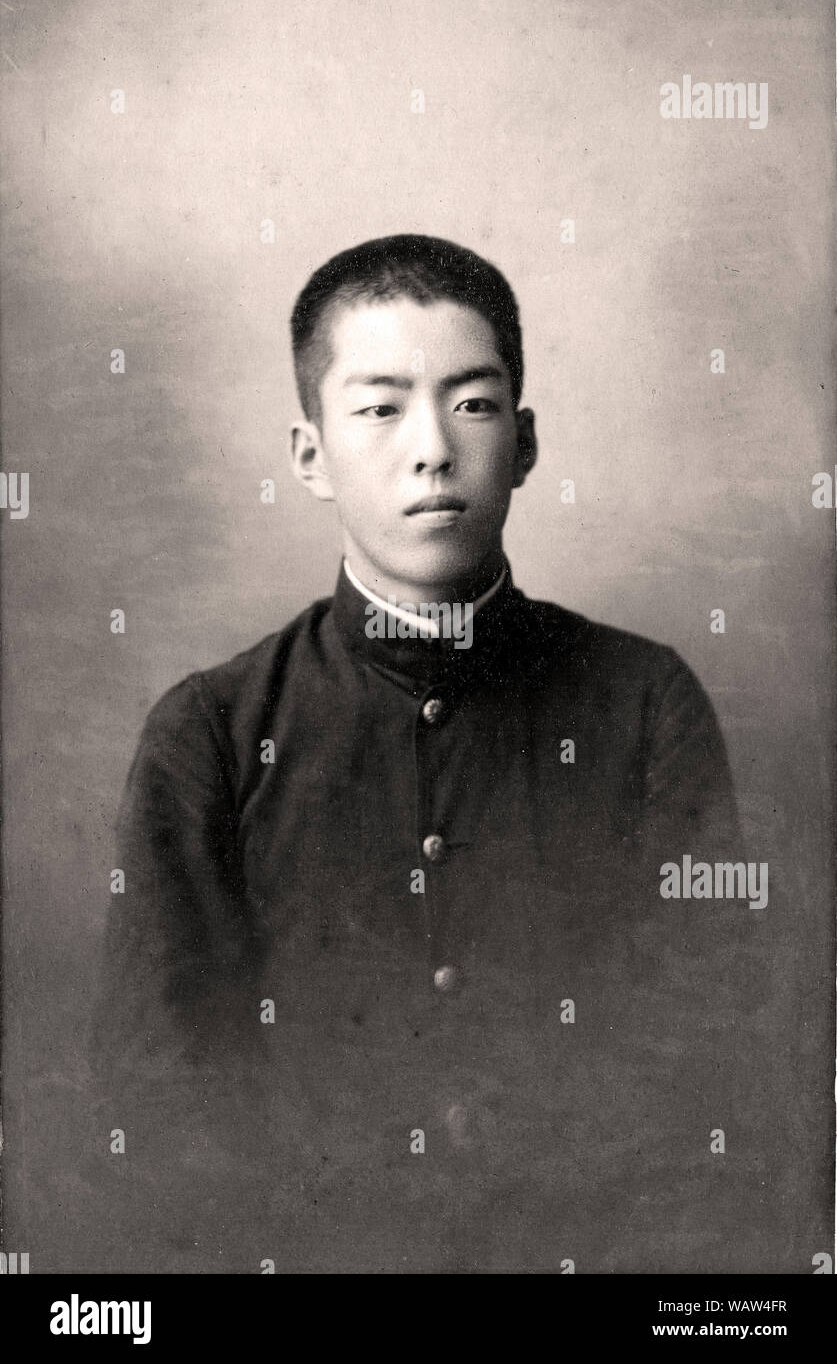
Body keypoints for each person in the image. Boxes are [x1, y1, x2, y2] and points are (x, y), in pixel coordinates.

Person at [90, 234, 763, 1273]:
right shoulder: (210, 732)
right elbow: (160, 1086)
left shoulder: (645, 703)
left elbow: (706, 1044)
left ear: (527, 443)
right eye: (378, 406)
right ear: (310, 455)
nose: (433, 449)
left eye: (472, 403)